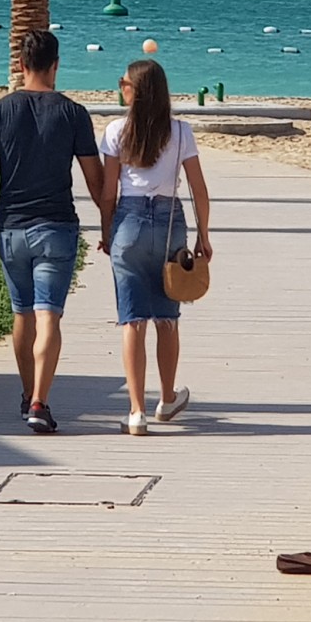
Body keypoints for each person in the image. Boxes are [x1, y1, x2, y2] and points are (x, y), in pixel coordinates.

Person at [0, 30, 105, 434]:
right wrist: (109, 224)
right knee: (49, 316)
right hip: (56, 228)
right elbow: (97, 181)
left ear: (21, 65)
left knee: (22, 314)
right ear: (56, 65)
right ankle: (40, 401)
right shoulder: (74, 114)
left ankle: (27, 396)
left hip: (12, 230)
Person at [98, 59, 212, 435]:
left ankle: (135, 412)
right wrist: (204, 236)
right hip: (169, 224)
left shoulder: (116, 131)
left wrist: (106, 231)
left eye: (124, 83)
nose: (121, 88)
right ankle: (166, 398)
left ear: (137, 90)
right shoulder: (180, 133)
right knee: (166, 315)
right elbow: (197, 187)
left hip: (128, 223)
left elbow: (108, 191)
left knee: (132, 321)